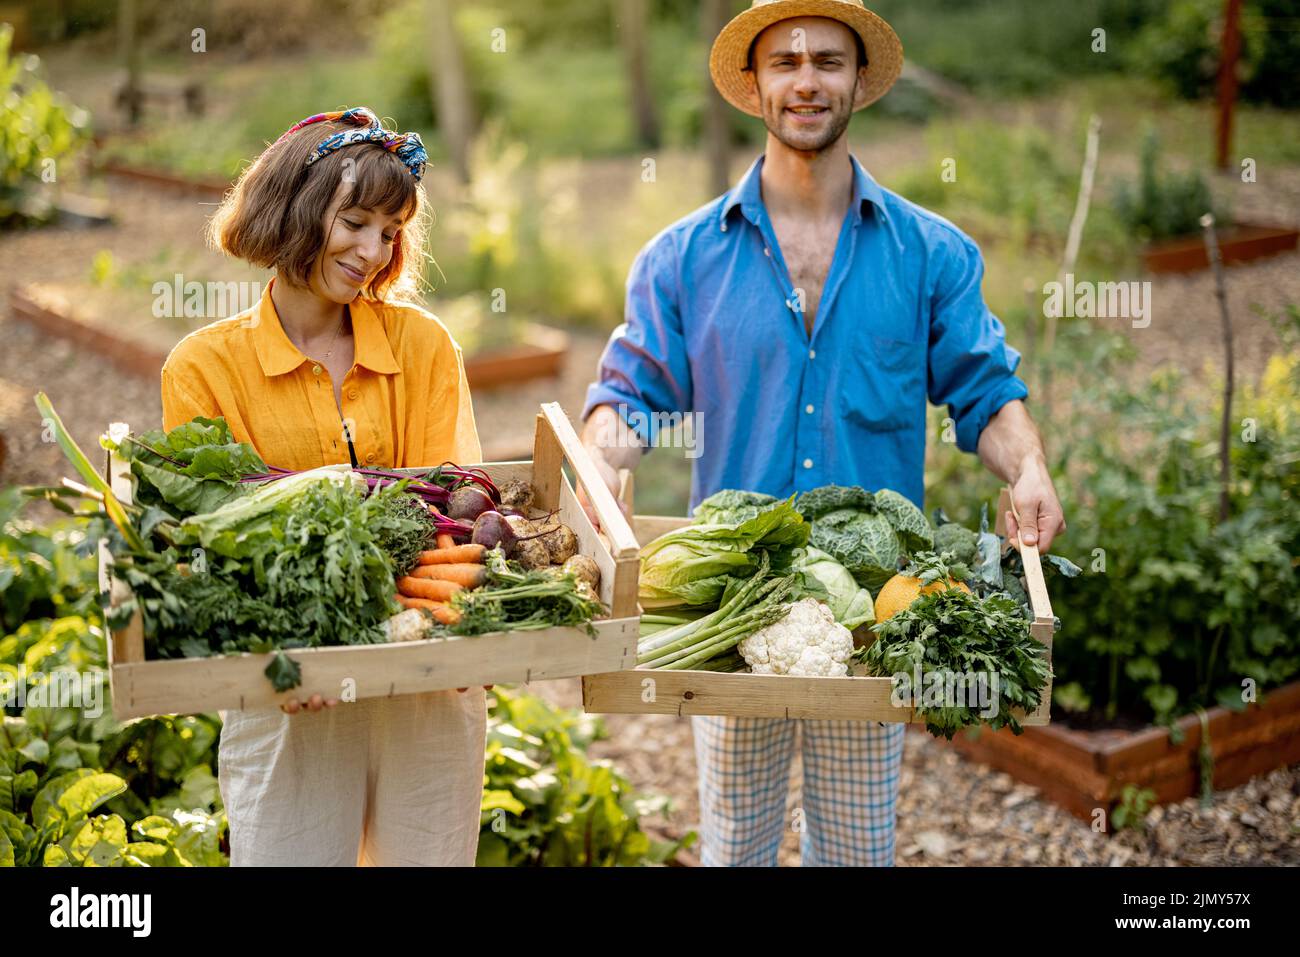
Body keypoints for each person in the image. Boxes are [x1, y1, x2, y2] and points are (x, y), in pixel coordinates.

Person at [579, 0, 1066, 866]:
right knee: (738, 847)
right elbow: (631, 391)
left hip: (877, 613)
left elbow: (986, 392)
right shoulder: (682, 258)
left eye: (829, 61)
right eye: (787, 61)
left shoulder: (931, 253)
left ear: (859, 82)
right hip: (733, 607)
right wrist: (600, 462)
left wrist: (1028, 465)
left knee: (855, 850)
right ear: (756, 84)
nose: (807, 79)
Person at [160, 107, 486, 866]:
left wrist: (378, 635)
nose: (373, 251)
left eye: (391, 231)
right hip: (286, 682)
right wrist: (295, 647)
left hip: (425, 672)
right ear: (300, 210)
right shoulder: (204, 368)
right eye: (357, 221)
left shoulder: (425, 346)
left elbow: (451, 518)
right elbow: (213, 538)